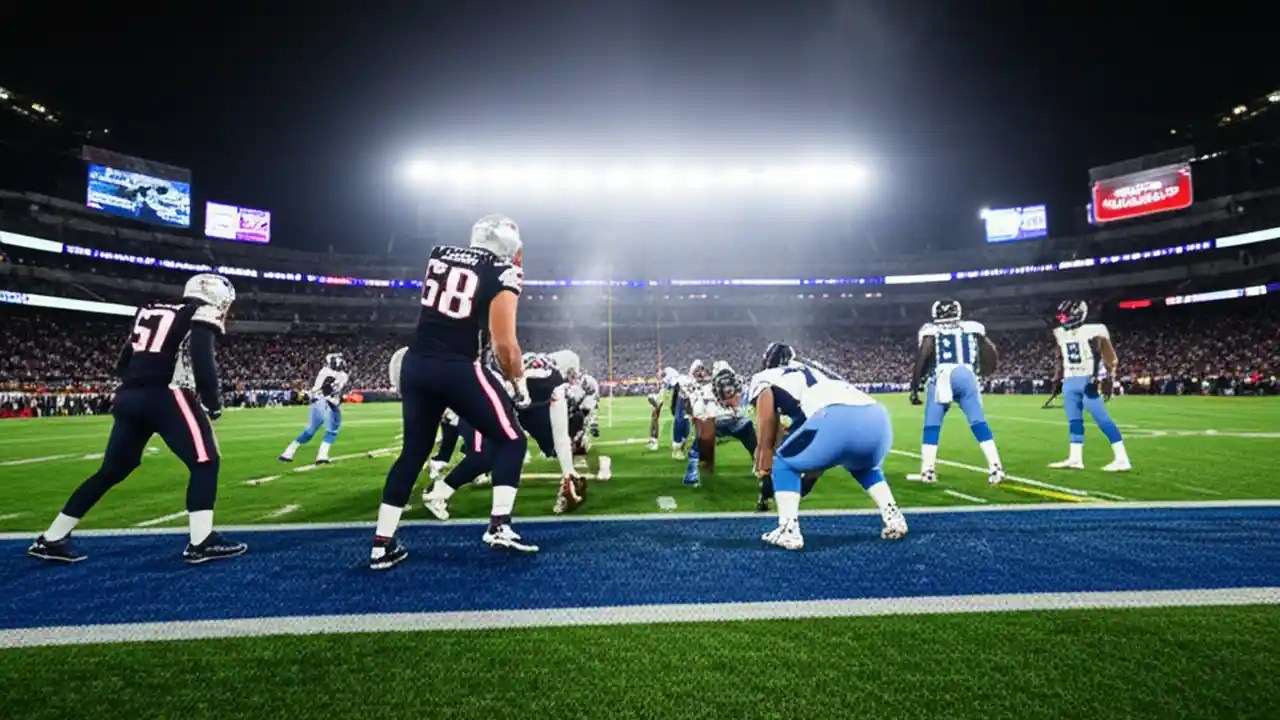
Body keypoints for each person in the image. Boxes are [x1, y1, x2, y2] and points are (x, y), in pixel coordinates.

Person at [28, 274, 246, 564]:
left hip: (129, 396)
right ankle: (201, 541)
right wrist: (213, 403)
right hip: (169, 394)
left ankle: (52, 537)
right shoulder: (201, 313)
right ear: (216, 296)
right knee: (206, 461)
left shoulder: (149, 310)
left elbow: (123, 362)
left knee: (112, 470)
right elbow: (202, 359)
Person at [371, 214, 534, 570]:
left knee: (412, 453)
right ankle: (499, 526)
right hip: (456, 366)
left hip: (416, 364)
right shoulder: (503, 270)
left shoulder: (439, 254)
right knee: (511, 440)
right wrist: (518, 384)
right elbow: (503, 341)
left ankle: (382, 544)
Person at [723, 348, 908, 550]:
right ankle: (893, 516)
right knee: (864, 468)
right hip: (877, 418)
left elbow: (766, 401)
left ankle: (788, 531)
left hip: (835, 418)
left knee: (783, 463)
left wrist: (764, 450)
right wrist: (808, 478)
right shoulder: (812, 374)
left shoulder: (765, 377)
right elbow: (813, 448)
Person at [909, 299, 1005, 484]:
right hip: (966, 374)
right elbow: (991, 352)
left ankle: (927, 471)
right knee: (978, 422)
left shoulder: (930, 330)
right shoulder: (972, 328)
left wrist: (915, 386)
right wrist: (985, 372)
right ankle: (995, 467)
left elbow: (925, 353)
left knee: (932, 425)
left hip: (942, 375)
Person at [1048, 300, 1131, 471]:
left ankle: (1122, 459)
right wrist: (1057, 379)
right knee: (1074, 420)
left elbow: (1110, 358)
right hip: (1070, 381)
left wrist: (1106, 379)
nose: (1062, 320)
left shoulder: (1095, 330)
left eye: (1065, 315)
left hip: (1088, 380)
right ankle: (1075, 458)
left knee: (1102, 419)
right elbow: (1060, 358)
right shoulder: (1060, 333)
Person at [279, 353, 349, 464]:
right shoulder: (327, 372)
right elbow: (327, 389)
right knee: (313, 430)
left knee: (330, 429)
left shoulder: (339, 374)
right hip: (321, 399)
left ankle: (321, 455)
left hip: (329, 401)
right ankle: (290, 452)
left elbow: (336, 390)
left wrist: (340, 398)